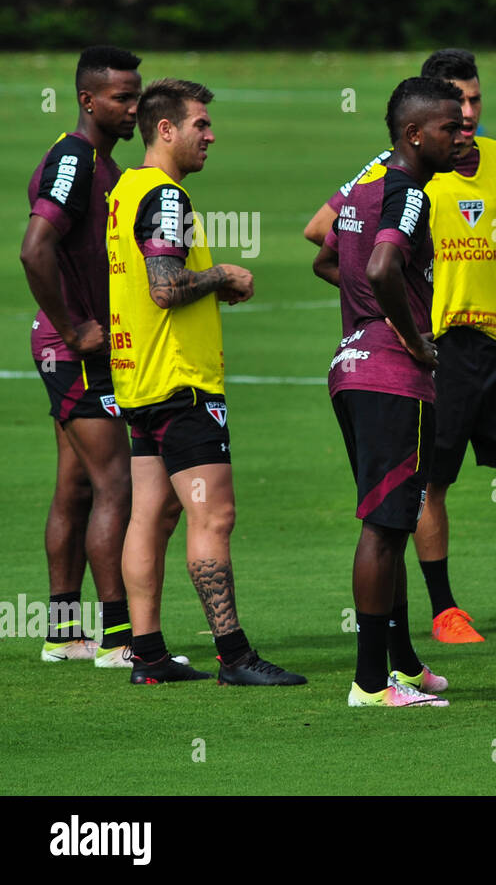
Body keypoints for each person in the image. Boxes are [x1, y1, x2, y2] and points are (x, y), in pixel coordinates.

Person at [306, 49, 496, 642]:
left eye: (475, 99)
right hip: (430, 349)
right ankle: (445, 609)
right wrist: (393, 321)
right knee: (428, 484)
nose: (468, 114)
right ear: (424, 119)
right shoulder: (398, 172)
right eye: (456, 105)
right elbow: (326, 235)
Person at [107, 78, 306, 686]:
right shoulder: (166, 196)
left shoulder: (124, 189)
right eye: (200, 125)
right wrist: (220, 275)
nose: (210, 135)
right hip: (181, 385)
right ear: (165, 130)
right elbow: (165, 288)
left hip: (138, 382)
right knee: (212, 517)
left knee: (151, 517)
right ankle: (235, 656)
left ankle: (147, 656)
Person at [313, 77, 464, 707]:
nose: (463, 134)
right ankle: (370, 683)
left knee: (393, 521)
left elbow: (329, 260)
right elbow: (379, 267)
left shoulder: (362, 187)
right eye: (450, 128)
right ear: (414, 134)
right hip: (390, 376)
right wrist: (411, 336)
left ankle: (401, 663)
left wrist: (367, 318)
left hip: (351, 368)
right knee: (383, 526)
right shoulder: (407, 194)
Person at [20, 47, 143, 668]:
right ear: (88, 100)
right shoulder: (73, 159)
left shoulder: (102, 163)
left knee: (73, 487)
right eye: (122, 97)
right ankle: (120, 637)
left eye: (137, 96)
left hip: (79, 346)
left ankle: (64, 632)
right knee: (113, 485)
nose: (133, 108)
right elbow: (33, 247)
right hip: (75, 350)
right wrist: (72, 329)